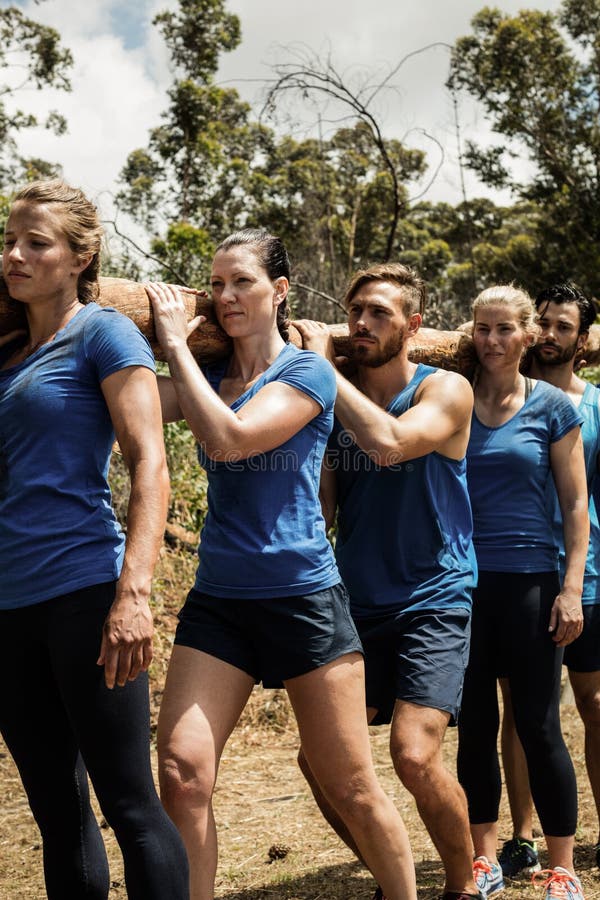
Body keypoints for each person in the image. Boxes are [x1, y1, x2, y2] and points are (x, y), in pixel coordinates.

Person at [145, 230, 417, 900]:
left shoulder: (308, 373)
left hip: (303, 598)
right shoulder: (208, 378)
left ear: (280, 290)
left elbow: (231, 439)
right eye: (216, 284)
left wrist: (174, 344)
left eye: (243, 281)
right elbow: (122, 396)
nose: (227, 296)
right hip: (219, 601)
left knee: (350, 787)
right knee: (181, 773)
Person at [0, 180, 189, 899]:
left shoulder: (103, 332)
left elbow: (149, 462)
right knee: (57, 811)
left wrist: (134, 594)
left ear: (80, 258)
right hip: (9, 607)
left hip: (85, 591)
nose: (14, 255)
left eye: (35, 243)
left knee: (129, 802)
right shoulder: (9, 354)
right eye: (9, 241)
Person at [295, 262, 483, 900]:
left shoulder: (446, 390)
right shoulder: (334, 398)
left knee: (414, 755)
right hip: (357, 601)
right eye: (355, 311)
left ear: (414, 325)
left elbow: (391, 444)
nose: (362, 323)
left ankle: (463, 887)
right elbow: (321, 506)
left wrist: (323, 371)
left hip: (435, 596)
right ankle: (392, 878)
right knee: (318, 762)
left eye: (380, 312)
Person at [457, 284, 589, 900]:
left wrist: (570, 587)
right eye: (482, 328)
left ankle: (563, 867)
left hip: (532, 583)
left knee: (538, 725)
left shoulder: (552, 407)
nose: (492, 340)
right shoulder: (452, 396)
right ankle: (484, 859)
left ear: (527, 334)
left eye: (504, 328)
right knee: (476, 725)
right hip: (461, 583)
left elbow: (575, 503)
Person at [497, 283, 600, 878]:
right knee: (522, 707)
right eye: (546, 323)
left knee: (594, 702)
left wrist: (579, 576)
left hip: (588, 575)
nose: (552, 335)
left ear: (583, 340)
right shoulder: (498, 394)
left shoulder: (594, 406)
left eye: (566, 326)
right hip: (520, 575)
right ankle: (522, 836)